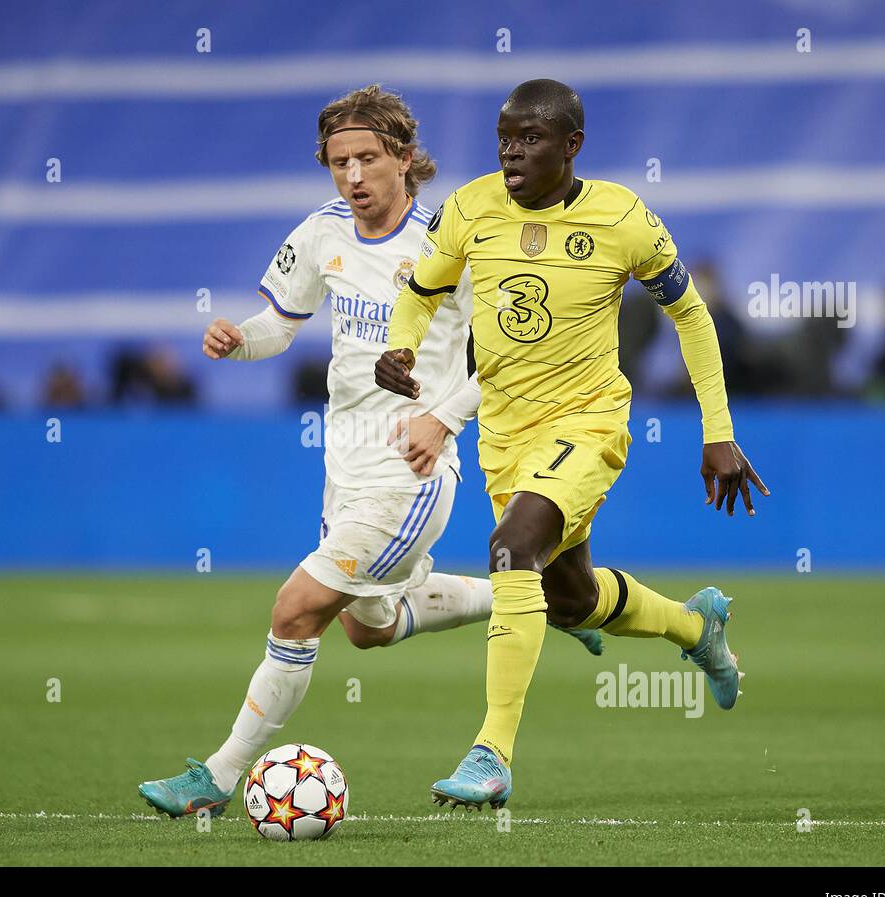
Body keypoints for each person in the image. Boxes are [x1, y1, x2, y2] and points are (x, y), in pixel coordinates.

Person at [139, 84, 573, 821]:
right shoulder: (322, 234)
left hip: (412, 470)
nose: (353, 176)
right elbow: (280, 324)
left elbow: (504, 356)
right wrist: (239, 339)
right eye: (338, 162)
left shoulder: (451, 244)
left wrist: (442, 420)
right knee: (365, 627)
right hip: (344, 465)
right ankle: (539, 597)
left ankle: (215, 776)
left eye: (367, 158)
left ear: (406, 158)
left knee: (296, 611)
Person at [375, 79, 769, 810]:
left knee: (511, 547)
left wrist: (719, 432)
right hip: (505, 431)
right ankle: (696, 625)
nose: (511, 150)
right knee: (568, 599)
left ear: (572, 146)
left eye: (530, 138)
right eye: (504, 136)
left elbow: (691, 315)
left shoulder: (623, 217)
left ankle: (490, 754)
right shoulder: (468, 207)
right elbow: (424, 289)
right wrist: (402, 345)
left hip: (587, 423)